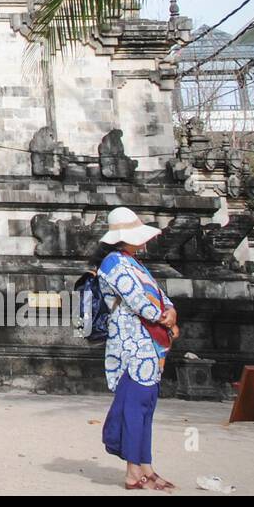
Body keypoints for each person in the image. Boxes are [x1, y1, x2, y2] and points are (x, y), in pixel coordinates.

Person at [96, 206, 178, 491]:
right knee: (135, 404)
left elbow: (159, 295)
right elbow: (138, 300)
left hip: (150, 343)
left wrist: (170, 312)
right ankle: (133, 471)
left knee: (146, 405)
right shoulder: (113, 263)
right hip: (132, 343)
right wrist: (163, 316)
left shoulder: (134, 263)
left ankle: (146, 466)